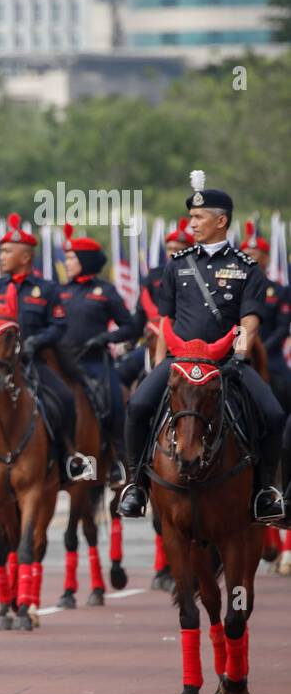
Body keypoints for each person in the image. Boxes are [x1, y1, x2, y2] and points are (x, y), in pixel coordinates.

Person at [118, 173, 286, 522]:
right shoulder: (177, 265)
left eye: (198, 218)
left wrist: (241, 352)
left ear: (220, 220)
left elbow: (250, 319)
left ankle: (266, 491)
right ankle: (136, 486)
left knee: (272, 414)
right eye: (191, 218)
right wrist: (160, 365)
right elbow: (165, 321)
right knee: (136, 407)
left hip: (226, 362)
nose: (191, 224)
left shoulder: (246, 269)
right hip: (181, 362)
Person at [0, 212, 92, 484]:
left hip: (33, 362)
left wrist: (34, 343)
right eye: (1, 251)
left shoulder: (47, 289)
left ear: (26, 256)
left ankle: (69, 458)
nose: (1, 256)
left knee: (63, 398)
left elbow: (58, 325)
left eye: (7, 251)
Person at [58, 223, 135, 483]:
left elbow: (130, 326)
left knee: (114, 400)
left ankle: (117, 459)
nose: (66, 263)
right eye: (66, 258)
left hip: (94, 363)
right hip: (62, 362)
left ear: (85, 260)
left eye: (71, 258)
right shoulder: (60, 292)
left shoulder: (105, 291)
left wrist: (106, 337)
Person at [116, 219, 193, 388]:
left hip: (185, 344)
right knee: (121, 373)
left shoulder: (196, 276)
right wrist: (128, 341)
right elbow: (140, 315)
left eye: (179, 250)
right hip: (153, 341)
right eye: (170, 249)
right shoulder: (154, 276)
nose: (173, 253)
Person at [238, 222, 291, 413]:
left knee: (285, 390)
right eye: (245, 253)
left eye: (254, 253)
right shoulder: (232, 288)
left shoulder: (279, 291)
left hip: (270, 355)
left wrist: (259, 350)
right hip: (235, 352)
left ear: (266, 258)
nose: (249, 257)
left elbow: (282, 328)